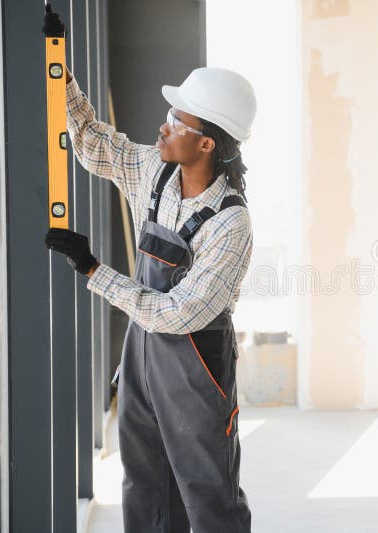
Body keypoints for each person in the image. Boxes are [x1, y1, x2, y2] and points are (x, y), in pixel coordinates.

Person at [42, 7, 256, 532]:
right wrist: (58, 69)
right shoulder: (154, 172)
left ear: (207, 143)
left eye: (178, 120)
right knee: (144, 485)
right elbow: (94, 142)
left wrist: (95, 270)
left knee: (207, 496)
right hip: (142, 358)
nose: (164, 125)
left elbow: (178, 314)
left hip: (195, 363)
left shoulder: (230, 225)